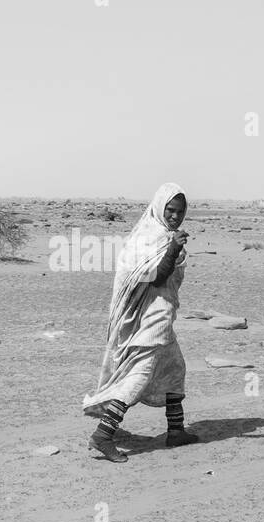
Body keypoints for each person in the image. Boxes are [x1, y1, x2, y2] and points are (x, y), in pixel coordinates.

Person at [83, 183, 196, 462]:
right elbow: (155, 277)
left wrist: (173, 247)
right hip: (149, 319)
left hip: (162, 314)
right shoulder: (151, 238)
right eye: (170, 210)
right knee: (139, 376)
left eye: (180, 212)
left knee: (175, 370)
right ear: (160, 208)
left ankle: (176, 431)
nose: (175, 216)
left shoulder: (164, 235)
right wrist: (171, 250)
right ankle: (103, 435)